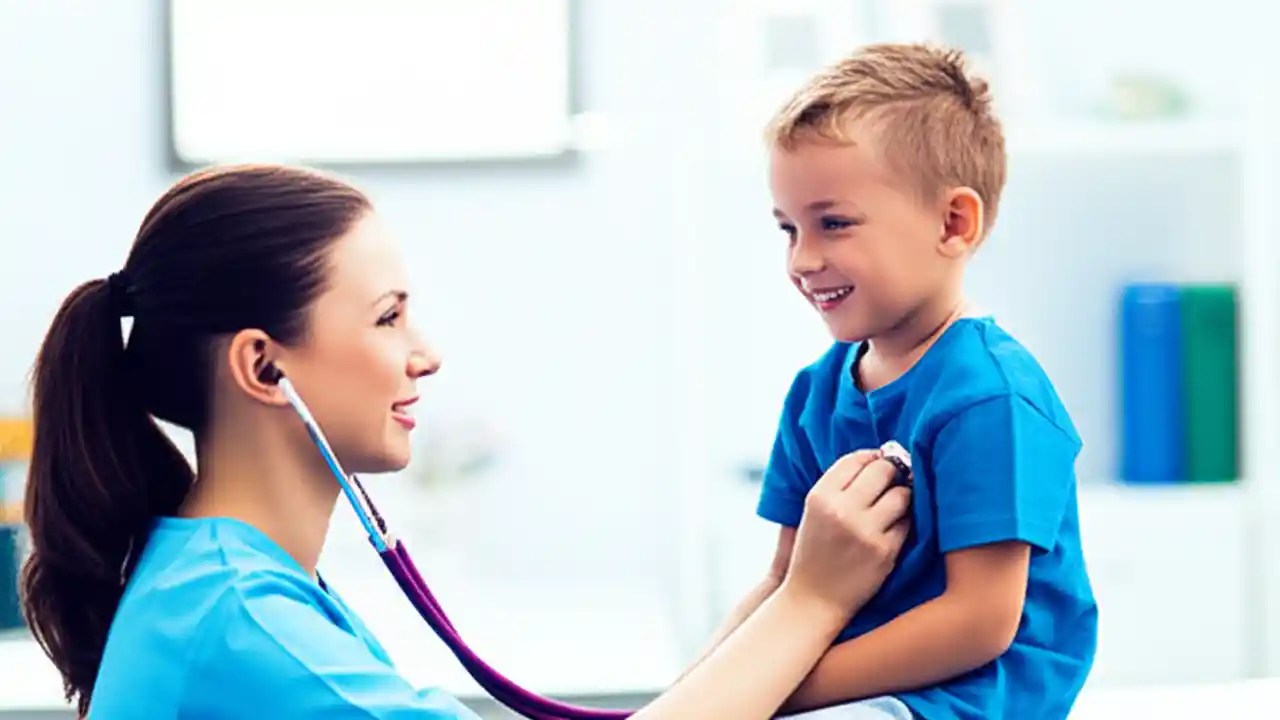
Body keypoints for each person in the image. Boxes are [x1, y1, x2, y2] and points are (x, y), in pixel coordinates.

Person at [19, 164, 913, 719]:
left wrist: (782, 600)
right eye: (386, 317)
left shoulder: (222, 582)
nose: (426, 353)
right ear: (262, 367)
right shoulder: (244, 623)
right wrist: (812, 601)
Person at [684, 44, 1098, 719]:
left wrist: (778, 688)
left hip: (966, 700)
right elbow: (782, 582)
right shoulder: (814, 393)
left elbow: (977, 623)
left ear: (952, 223)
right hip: (855, 688)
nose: (802, 259)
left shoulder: (992, 398)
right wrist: (702, 688)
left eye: (834, 224)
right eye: (788, 228)